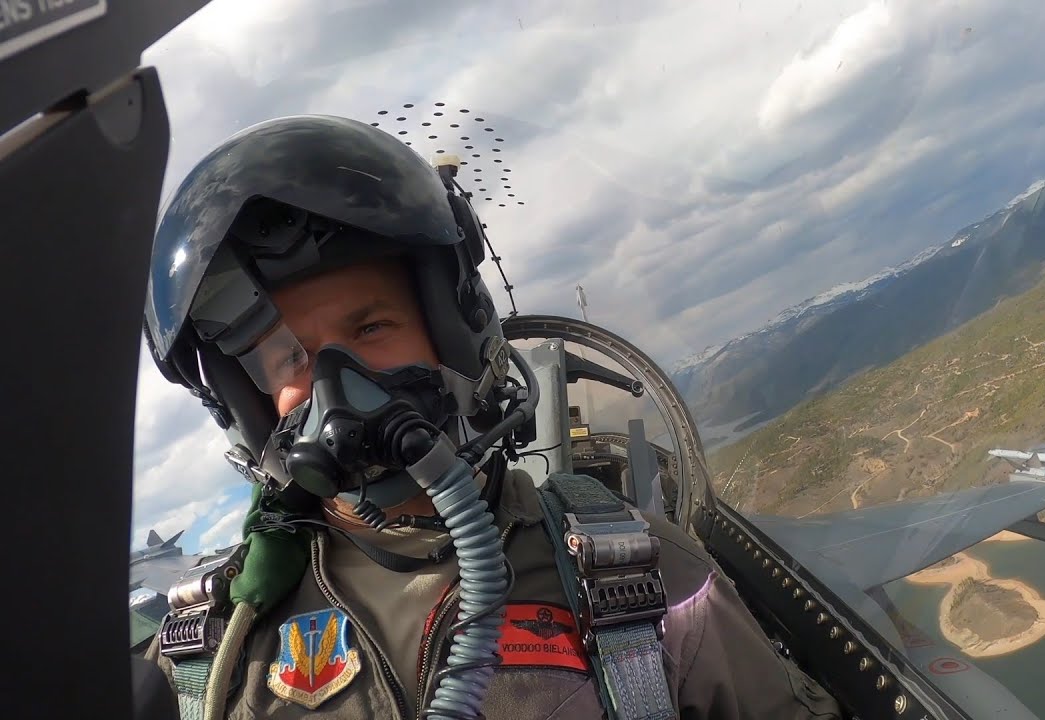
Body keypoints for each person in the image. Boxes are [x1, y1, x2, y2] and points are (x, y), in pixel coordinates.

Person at [141, 114, 843, 720]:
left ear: (457, 331)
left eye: (372, 328)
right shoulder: (207, 652)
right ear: (247, 407)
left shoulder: (632, 573)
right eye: (288, 360)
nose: (335, 384)